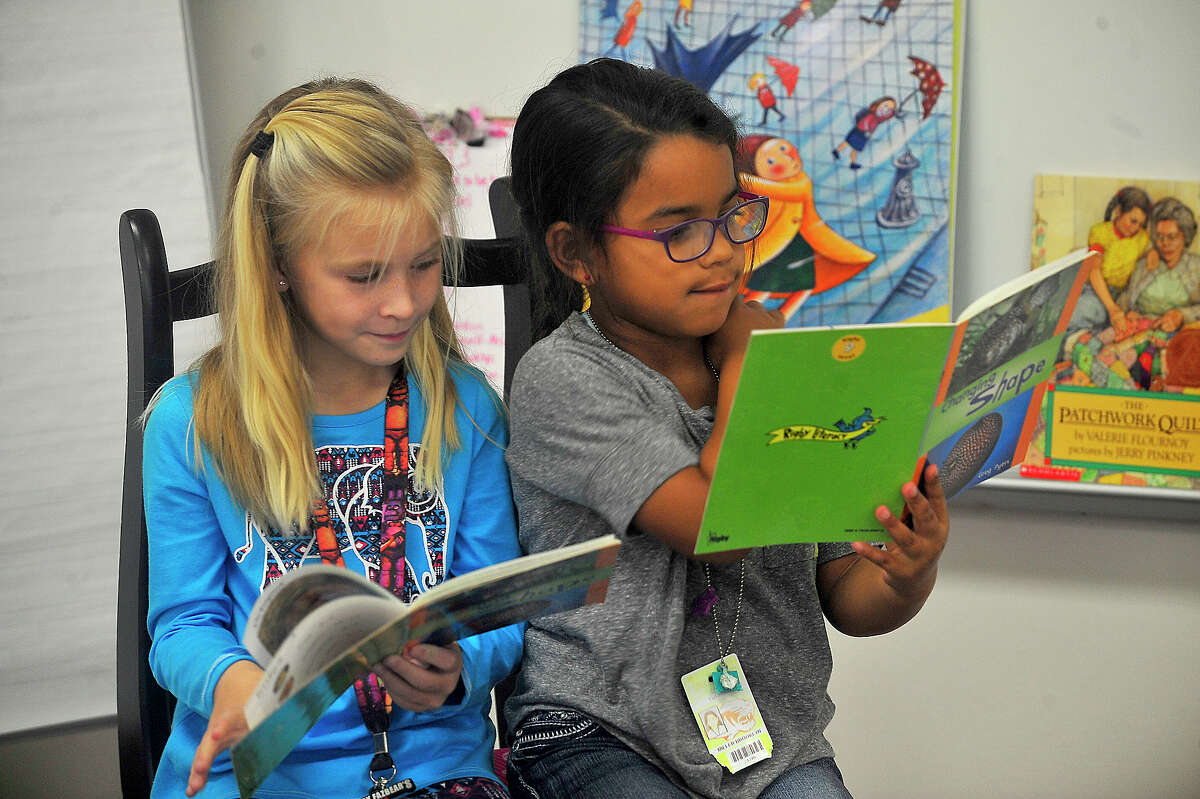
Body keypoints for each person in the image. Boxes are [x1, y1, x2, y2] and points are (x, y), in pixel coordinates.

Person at [502, 58, 949, 799]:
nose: (721, 249)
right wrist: (751, 354)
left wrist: (909, 569)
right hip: (597, 732)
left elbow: (846, 592)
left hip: (770, 741)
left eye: (733, 214)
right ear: (576, 252)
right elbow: (722, 521)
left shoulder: (789, 374)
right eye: (677, 230)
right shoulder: (564, 379)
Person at [142, 78, 521, 799]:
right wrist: (233, 680)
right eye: (363, 275)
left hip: (436, 769)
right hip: (250, 774)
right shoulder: (192, 421)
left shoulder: (464, 408)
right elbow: (182, 624)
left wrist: (460, 664)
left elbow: (492, 608)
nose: (405, 300)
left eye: (424, 262)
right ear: (278, 265)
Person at [1067, 186, 1152, 337]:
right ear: (1119, 211)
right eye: (1133, 221)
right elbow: (1094, 271)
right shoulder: (1100, 232)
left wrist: (1153, 255)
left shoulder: (1142, 237)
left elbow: (1148, 258)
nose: (1135, 228)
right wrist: (1112, 308)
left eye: (1140, 224)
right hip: (1097, 289)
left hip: (1122, 295)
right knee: (1088, 312)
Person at [1116, 196, 1200, 333]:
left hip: (1182, 336)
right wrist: (1125, 314)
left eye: (1172, 237)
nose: (1164, 243)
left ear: (1185, 236)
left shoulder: (1196, 266)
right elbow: (1125, 298)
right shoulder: (1144, 264)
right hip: (1139, 332)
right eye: (1160, 237)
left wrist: (1182, 315)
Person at [831, 96, 897, 170]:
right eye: (885, 106)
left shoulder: (878, 118)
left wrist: (893, 114)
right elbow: (865, 122)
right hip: (860, 131)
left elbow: (884, 118)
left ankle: (852, 163)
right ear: (878, 103)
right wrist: (867, 131)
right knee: (847, 142)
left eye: (889, 110)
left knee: (855, 148)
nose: (885, 109)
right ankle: (837, 151)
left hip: (864, 135)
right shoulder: (871, 115)